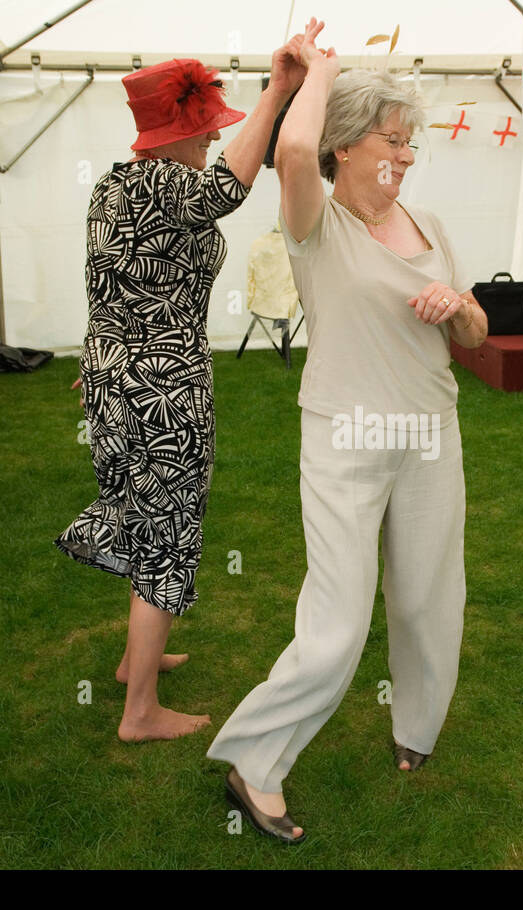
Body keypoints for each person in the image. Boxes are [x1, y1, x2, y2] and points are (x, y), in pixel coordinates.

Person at [206, 22, 489, 844]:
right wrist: (317, 71)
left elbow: (472, 335)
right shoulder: (314, 221)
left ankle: (417, 726)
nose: (403, 154)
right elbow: (291, 153)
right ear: (345, 145)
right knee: (337, 620)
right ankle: (255, 763)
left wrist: (459, 308)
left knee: (431, 594)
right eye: (389, 139)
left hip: (432, 431)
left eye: (411, 140)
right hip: (347, 439)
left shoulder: (429, 221)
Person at [55, 36, 312, 744]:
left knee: (141, 511)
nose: (216, 140)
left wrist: (105, 356)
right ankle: (139, 713)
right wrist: (276, 91)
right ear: (188, 131)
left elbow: (114, 282)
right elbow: (228, 190)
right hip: (161, 385)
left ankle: (135, 660)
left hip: (116, 377)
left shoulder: (115, 183)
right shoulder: (167, 181)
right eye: (209, 129)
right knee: (166, 527)